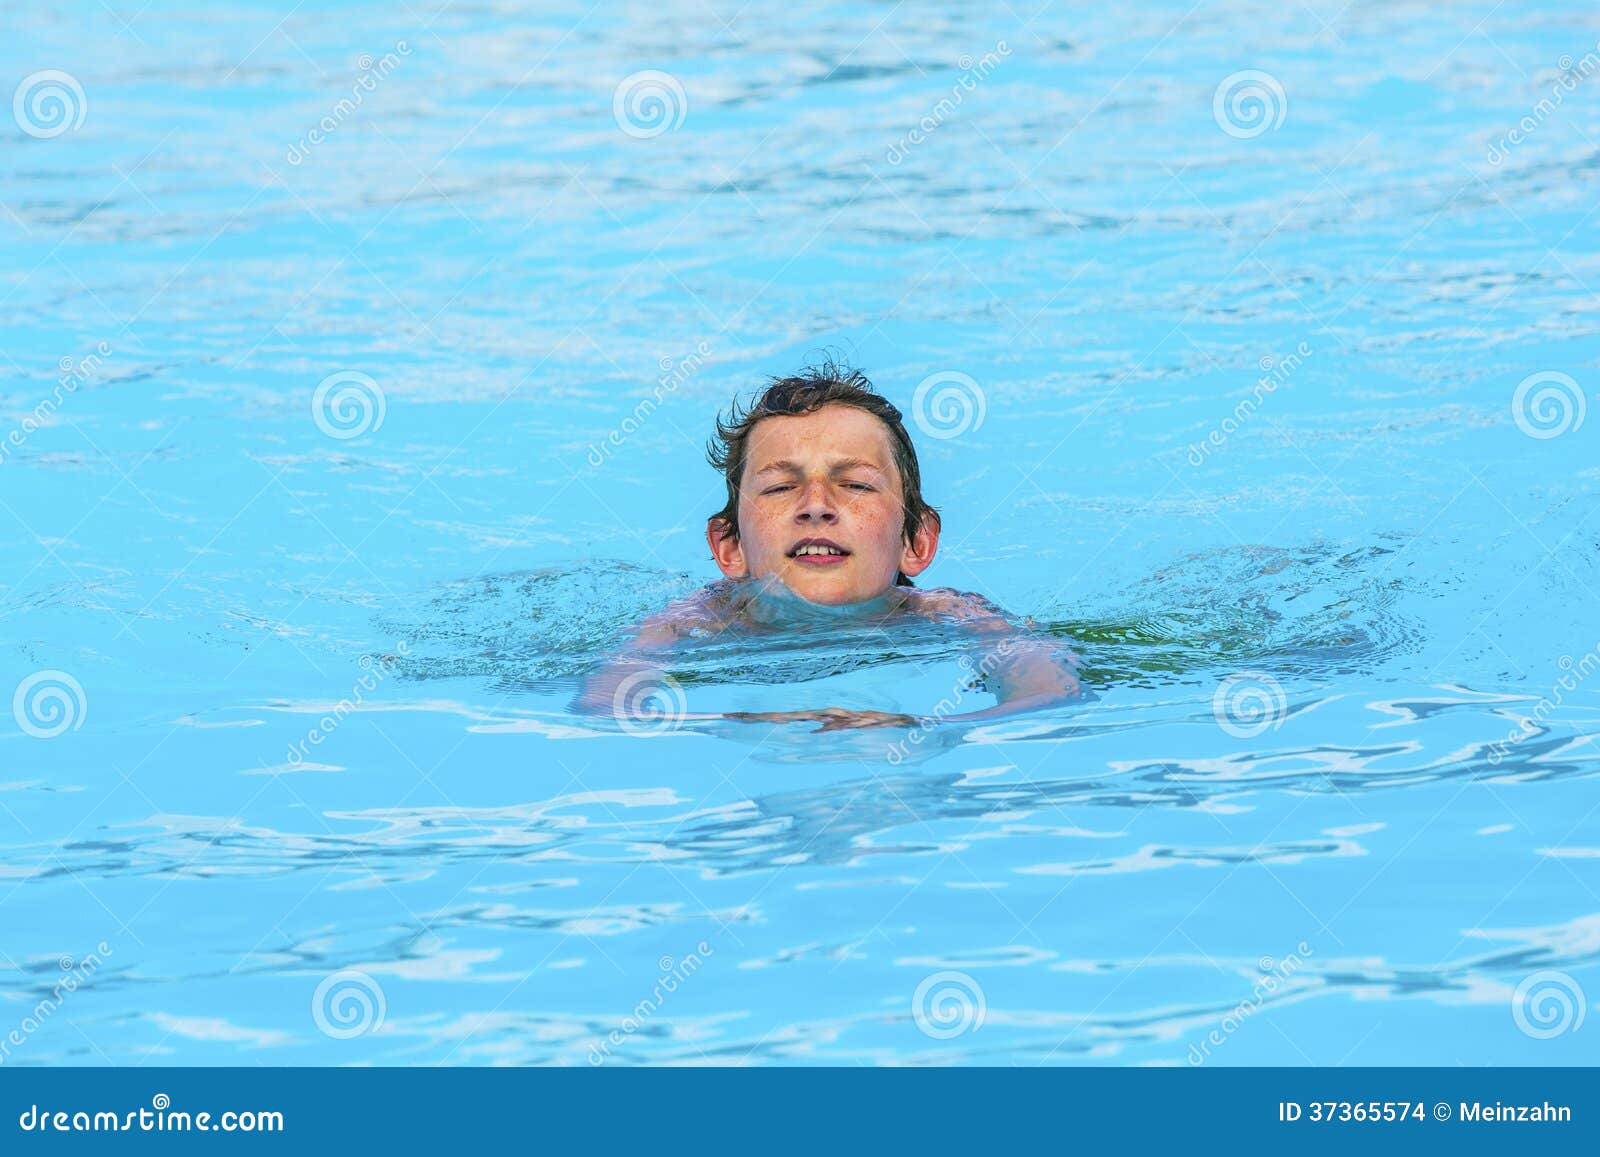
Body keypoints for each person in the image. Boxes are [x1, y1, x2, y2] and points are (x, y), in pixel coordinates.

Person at [574, 359, 1080, 733]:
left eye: (856, 485)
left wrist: (918, 726)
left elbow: (1051, 694)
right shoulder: (691, 623)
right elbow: (606, 706)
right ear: (730, 548)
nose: (816, 505)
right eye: (779, 487)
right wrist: (732, 724)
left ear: (916, 541)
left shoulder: (954, 615)